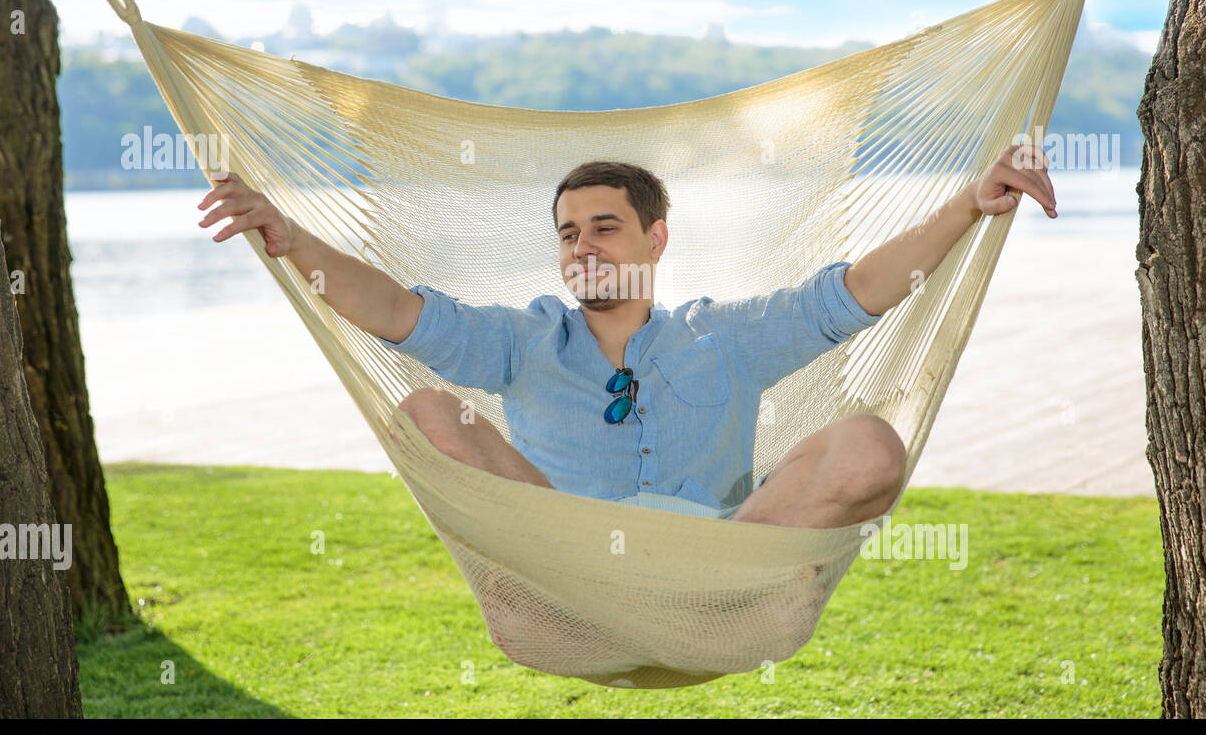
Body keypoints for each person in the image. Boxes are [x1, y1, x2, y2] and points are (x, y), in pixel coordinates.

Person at [197, 146, 1055, 533]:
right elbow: (391, 310)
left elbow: (857, 294)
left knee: (870, 445)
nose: (582, 247)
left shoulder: (723, 337)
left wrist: (968, 204)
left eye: (604, 227)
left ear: (656, 239)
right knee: (426, 409)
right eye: (568, 233)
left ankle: (726, 585)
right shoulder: (522, 343)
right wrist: (287, 234)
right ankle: (539, 584)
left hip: (715, 558)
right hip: (564, 563)